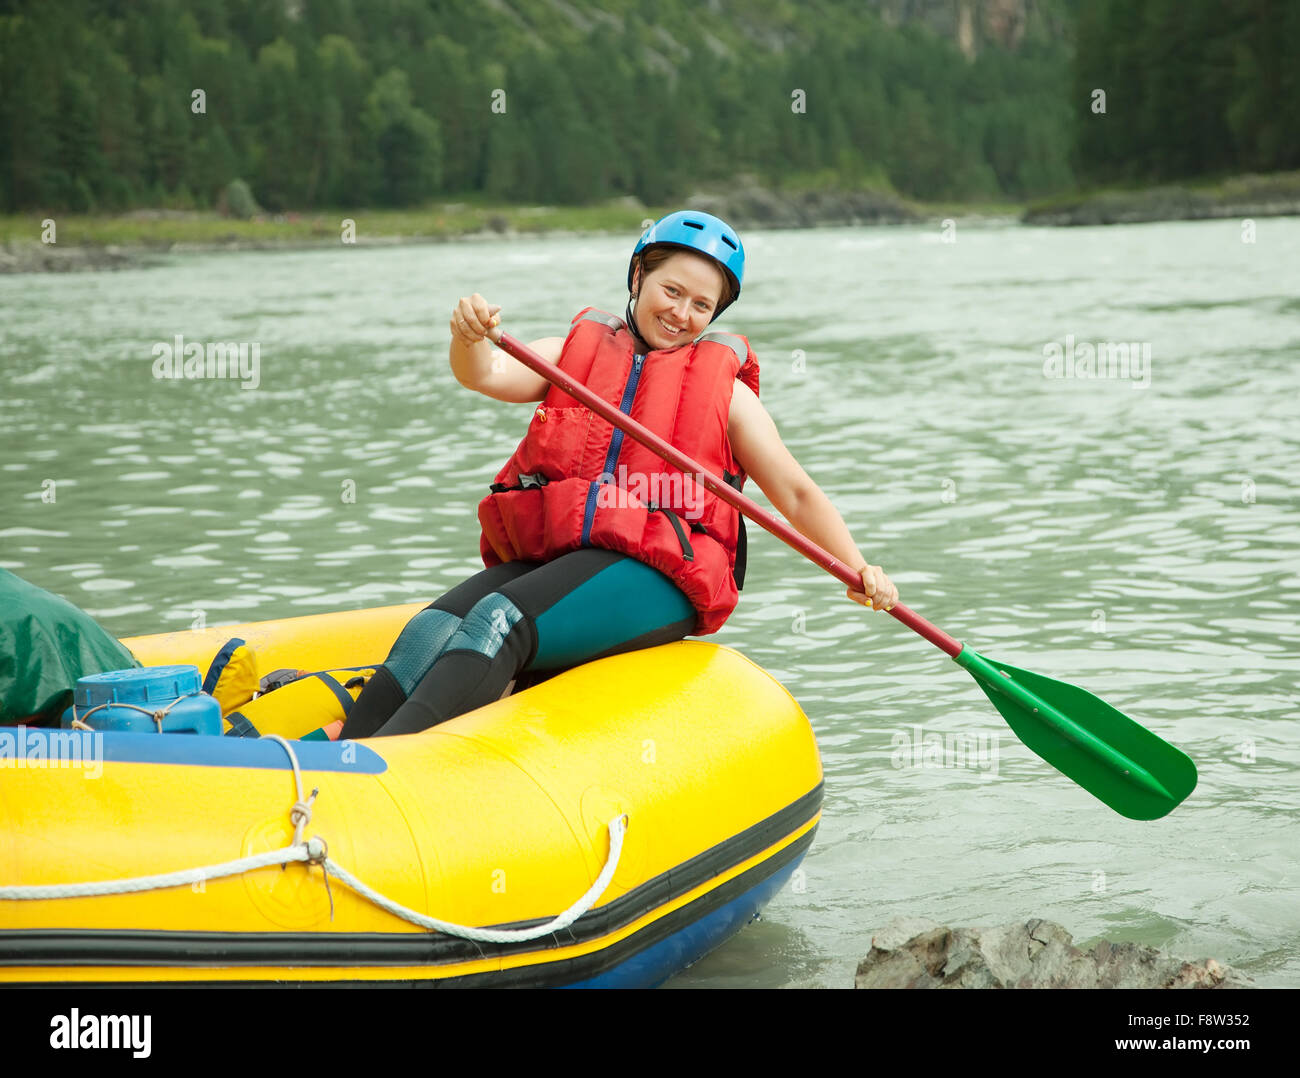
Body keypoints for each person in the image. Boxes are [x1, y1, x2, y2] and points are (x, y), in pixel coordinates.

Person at [339, 210, 897, 739]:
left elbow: (796, 494)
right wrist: (466, 339)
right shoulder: (572, 351)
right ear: (638, 275)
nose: (682, 314)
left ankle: (383, 765)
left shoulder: (728, 396)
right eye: (671, 291)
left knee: (497, 621)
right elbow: (486, 373)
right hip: (569, 558)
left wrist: (858, 566)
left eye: (702, 305)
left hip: (662, 574)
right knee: (426, 632)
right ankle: (343, 760)